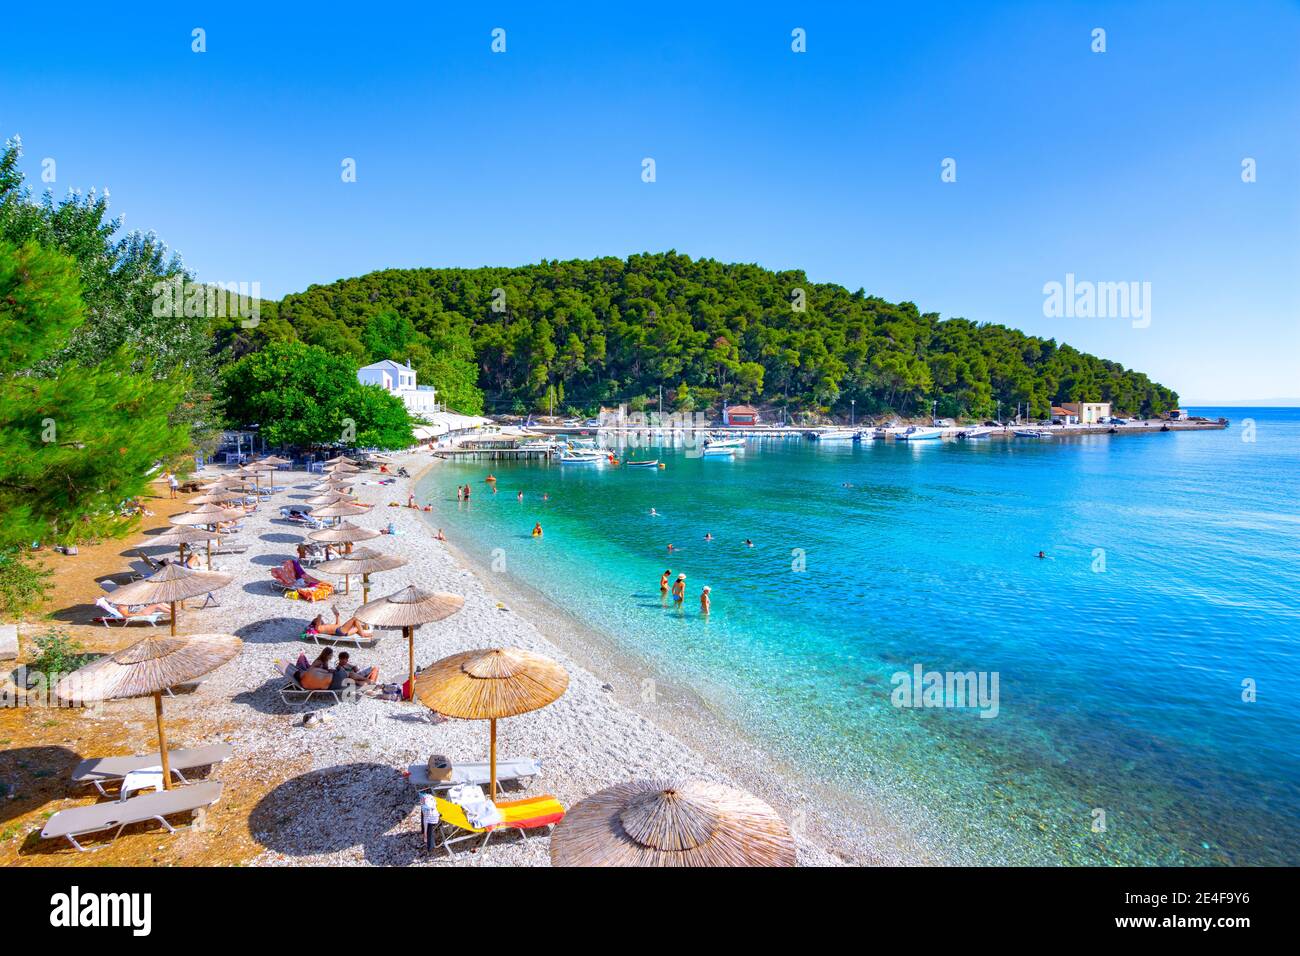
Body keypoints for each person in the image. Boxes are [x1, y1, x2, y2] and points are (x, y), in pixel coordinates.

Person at [308, 607, 373, 638]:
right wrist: (319, 616)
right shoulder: (319, 628)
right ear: (316, 623)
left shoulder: (324, 626)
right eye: (316, 620)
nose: (319, 620)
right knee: (354, 619)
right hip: (340, 630)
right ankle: (363, 635)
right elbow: (318, 623)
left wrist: (337, 616)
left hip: (341, 631)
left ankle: (377, 634)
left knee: (357, 627)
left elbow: (337, 625)